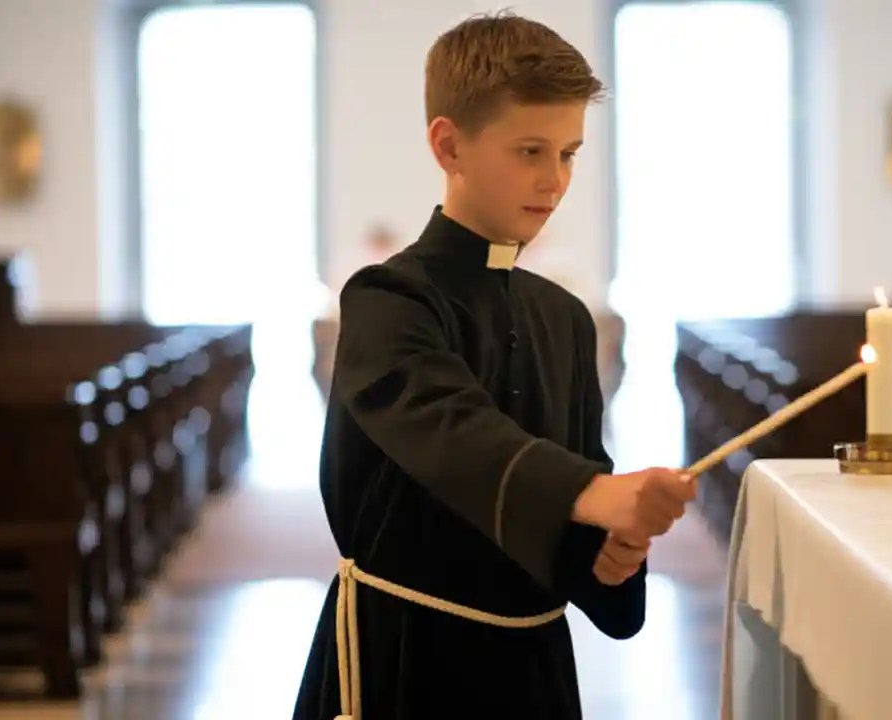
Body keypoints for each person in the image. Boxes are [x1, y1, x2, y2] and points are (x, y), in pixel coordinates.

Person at [291, 12, 695, 720]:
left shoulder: (564, 318)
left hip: (532, 670)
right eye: (530, 151)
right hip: (405, 662)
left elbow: (574, 484)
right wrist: (592, 495)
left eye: (569, 153)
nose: (555, 179)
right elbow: (449, 431)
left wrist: (606, 552)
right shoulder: (389, 299)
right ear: (450, 145)